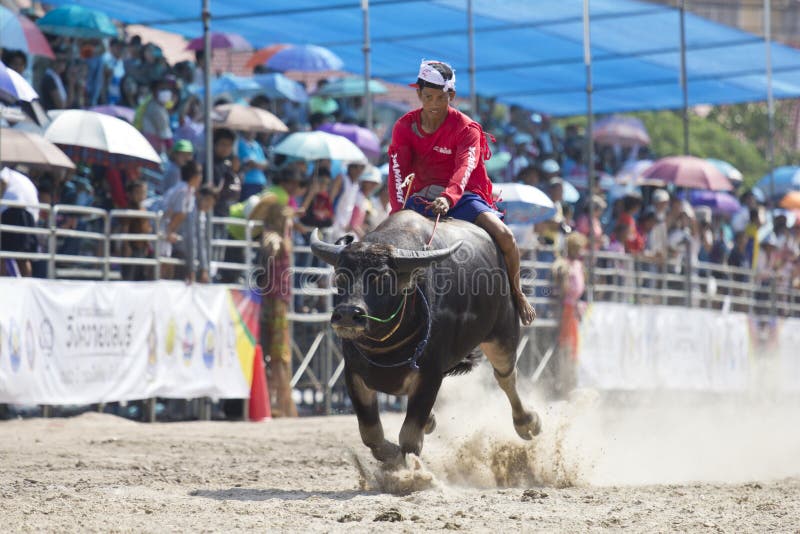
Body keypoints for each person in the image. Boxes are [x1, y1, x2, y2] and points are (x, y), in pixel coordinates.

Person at [388, 59, 535, 324]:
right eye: (428, 96)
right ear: (419, 94)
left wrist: (448, 197)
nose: (433, 104)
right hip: (420, 197)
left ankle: (516, 292)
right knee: (381, 245)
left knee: (505, 236)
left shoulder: (466, 128)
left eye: (440, 97)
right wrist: (397, 213)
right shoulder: (403, 127)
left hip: (463, 195)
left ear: (451, 96)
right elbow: (398, 172)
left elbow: (465, 168)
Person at [254, 196, 298, 417]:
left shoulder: (277, 237)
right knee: (278, 352)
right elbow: (272, 246)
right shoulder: (275, 238)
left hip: (275, 298)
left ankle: (278, 402)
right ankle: (279, 402)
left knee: (276, 352)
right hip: (274, 299)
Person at [161, 161, 202, 281]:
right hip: (164, 232)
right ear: (195, 176)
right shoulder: (184, 190)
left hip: (167, 232)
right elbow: (179, 214)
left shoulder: (187, 190)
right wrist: (169, 233)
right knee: (164, 272)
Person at [237, 130, 269, 199]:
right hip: (248, 182)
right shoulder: (241, 143)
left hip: (261, 182)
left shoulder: (257, 145)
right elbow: (251, 163)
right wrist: (259, 164)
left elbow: (266, 164)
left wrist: (257, 164)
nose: (252, 132)